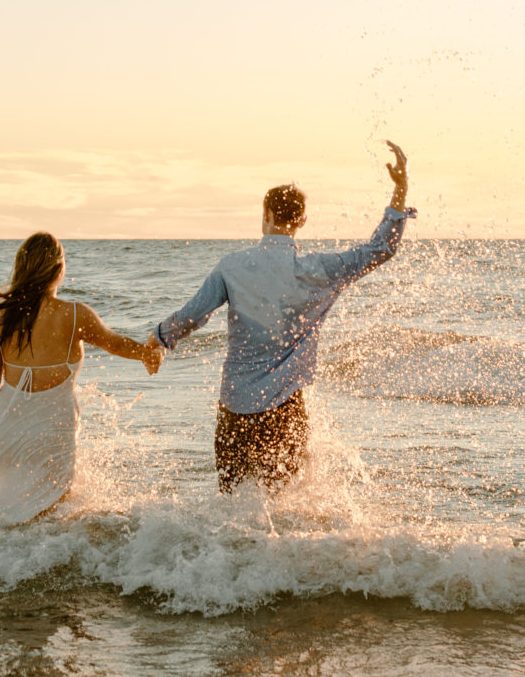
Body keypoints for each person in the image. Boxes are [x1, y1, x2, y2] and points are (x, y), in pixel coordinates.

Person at [150, 143, 414, 493]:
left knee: (231, 508)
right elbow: (380, 250)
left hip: (235, 407)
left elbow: (190, 317)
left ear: (266, 215)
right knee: (286, 509)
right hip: (285, 411)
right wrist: (400, 189)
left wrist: (157, 341)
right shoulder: (319, 270)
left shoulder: (231, 267)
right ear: (302, 220)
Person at [0, 231, 162, 524]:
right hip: (52, 430)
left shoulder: (0, 318)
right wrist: (147, 352)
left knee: (7, 507)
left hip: (7, 429)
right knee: (52, 511)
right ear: (58, 269)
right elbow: (115, 343)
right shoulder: (75, 315)